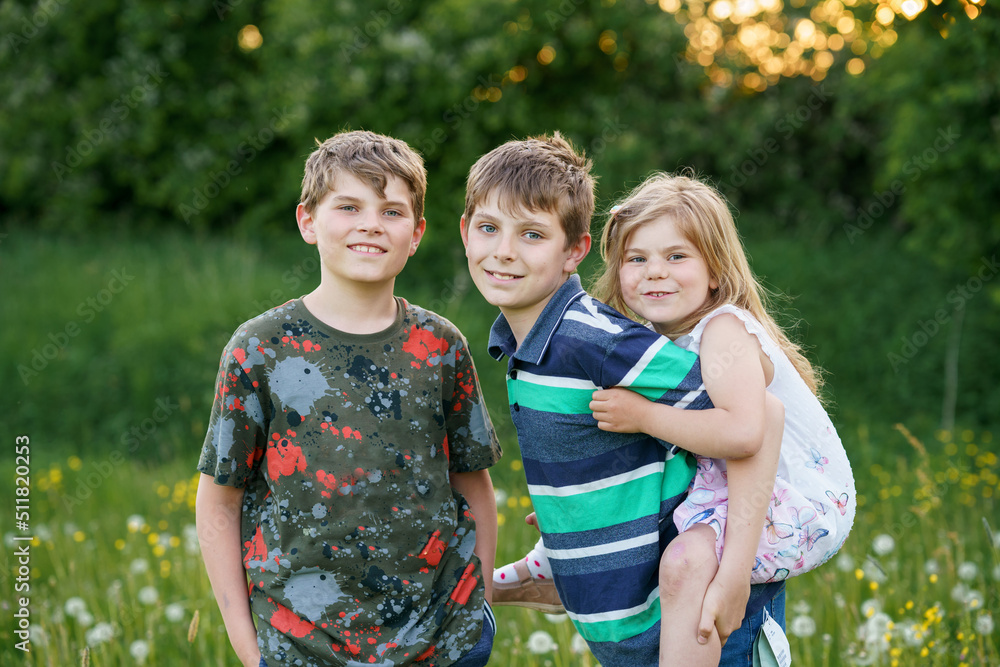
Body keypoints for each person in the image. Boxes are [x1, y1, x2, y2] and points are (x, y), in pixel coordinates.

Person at [497, 170, 859, 665]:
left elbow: (746, 431)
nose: (654, 272)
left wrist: (644, 415)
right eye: (637, 258)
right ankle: (558, 560)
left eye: (676, 257)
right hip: (724, 482)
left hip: (788, 498)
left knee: (686, 564)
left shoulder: (724, 330)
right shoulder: (650, 339)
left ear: (715, 270)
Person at [461, 133, 786, 667]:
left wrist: (731, 580)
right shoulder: (525, 343)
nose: (504, 251)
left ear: (575, 251)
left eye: (532, 234)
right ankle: (549, 570)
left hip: (701, 621)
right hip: (624, 621)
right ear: (465, 233)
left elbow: (755, 421)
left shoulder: (597, 340)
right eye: (489, 228)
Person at [195, 130, 503, 667]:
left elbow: (473, 483)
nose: (370, 224)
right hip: (299, 644)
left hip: (441, 640)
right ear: (308, 221)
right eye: (348, 206)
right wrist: (250, 650)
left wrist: (477, 608)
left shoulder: (440, 346)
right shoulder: (260, 349)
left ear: (416, 233)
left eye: (391, 211)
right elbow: (218, 501)